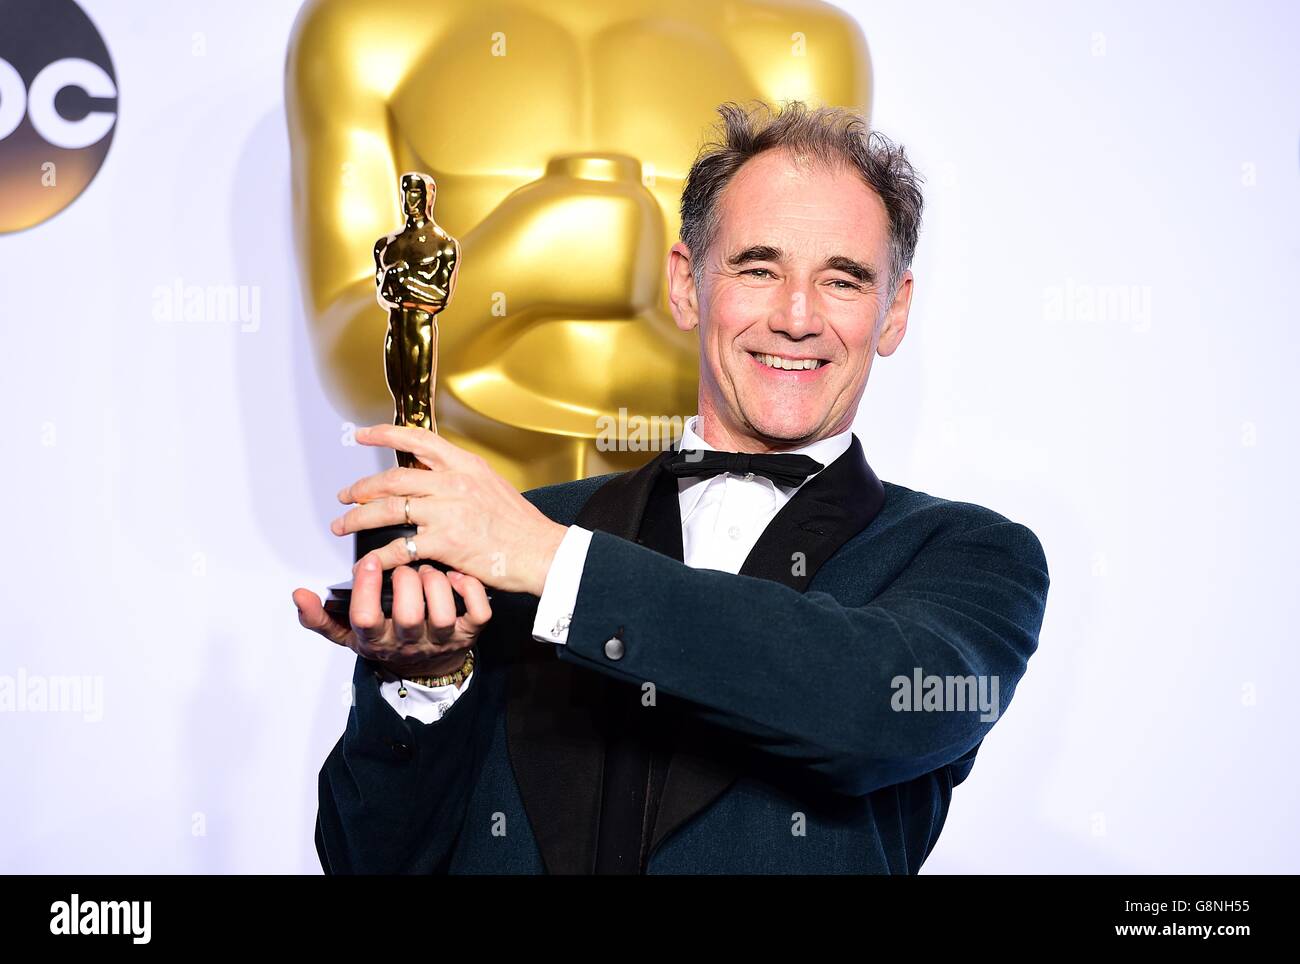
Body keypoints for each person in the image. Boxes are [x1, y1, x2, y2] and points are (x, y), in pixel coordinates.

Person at [292, 100, 1050, 874]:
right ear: (687, 286)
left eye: (843, 281)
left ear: (893, 313)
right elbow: (370, 863)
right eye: (759, 268)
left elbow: (875, 707)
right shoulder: (515, 536)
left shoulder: (971, 556)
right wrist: (424, 687)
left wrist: (557, 566)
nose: (797, 316)